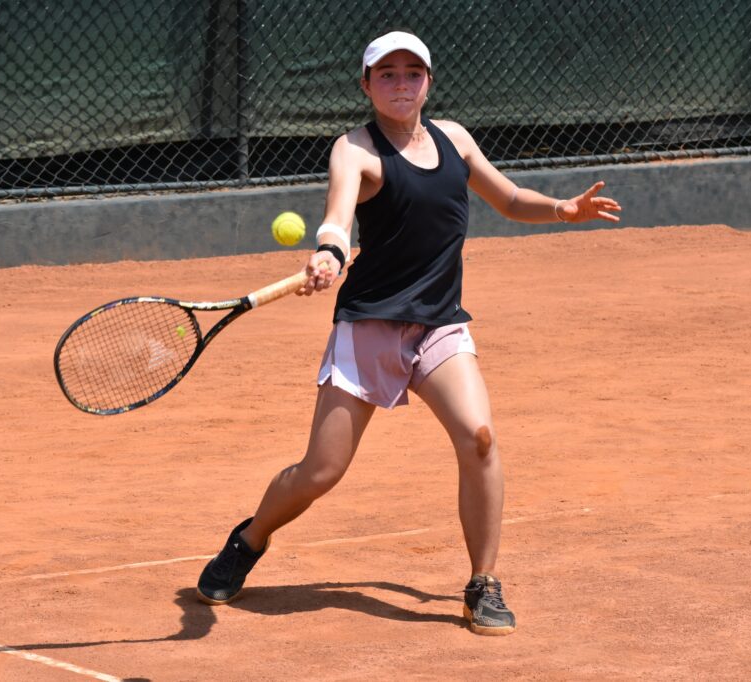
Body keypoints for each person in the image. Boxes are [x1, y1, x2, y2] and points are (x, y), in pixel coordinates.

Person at [196, 29, 621, 636]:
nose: (401, 84)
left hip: (439, 325)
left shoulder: (455, 138)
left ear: (429, 81)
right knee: (322, 470)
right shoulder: (355, 148)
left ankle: (483, 583)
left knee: (479, 437)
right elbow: (339, 216)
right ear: (367, 85)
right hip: (369, 322)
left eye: (412, 73)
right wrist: (328, 253)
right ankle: (249, 538)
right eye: (387, 74)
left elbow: (509, 198)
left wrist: (562, 209)